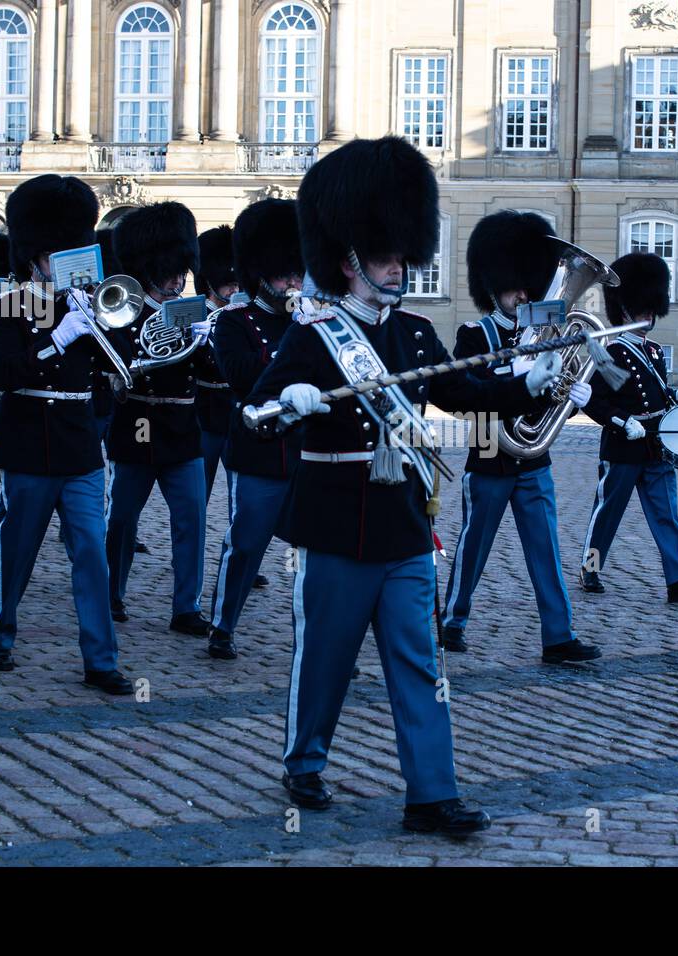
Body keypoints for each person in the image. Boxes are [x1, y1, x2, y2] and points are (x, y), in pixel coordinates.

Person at [245, 136, 563, 834]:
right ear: (347, 259)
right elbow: (254, 413)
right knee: (324, 661)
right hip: (331, 525)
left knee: (418, 664)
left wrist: (526, 383)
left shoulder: (416, 334)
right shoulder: (314, 335)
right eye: (385, 255)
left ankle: (431, 794)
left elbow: (464, 390)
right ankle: (304, 761)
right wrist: (290, 400)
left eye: (400, 253)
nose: (398, 266)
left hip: (403, 524)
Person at [0, 174, 132, 694]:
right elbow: (0, 374)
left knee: (91, 550)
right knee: (17, 549)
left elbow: (122, 368)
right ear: (33, 259)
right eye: (53, 256)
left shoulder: (91, 304)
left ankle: (101, 659)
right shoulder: (6, 307)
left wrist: (105, 327)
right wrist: (56, 341)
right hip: (27, 441)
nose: (61, 266)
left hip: (78, 444)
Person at [439, 211, 598, 664]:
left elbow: (557, 386)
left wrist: (573, 392)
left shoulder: (550, 331)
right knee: (474, 545)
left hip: (534, 454)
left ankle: (558, 635)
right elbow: (464, 391)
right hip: (490, 452)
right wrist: (514, 372)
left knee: (545, 549)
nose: (522, 294)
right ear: (495, 286)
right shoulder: (474, 335)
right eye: (513, 287)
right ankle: (452, 621)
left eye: (527, 284)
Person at [105, 202, 216, 636]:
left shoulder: (192, 312)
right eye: (170, 271)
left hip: (182, 428)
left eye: (181, 270)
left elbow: (211, 375)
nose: (177, 279)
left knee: (191, 520)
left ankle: (185, 606)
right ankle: (112, 592)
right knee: (122, 519)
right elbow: (116, 362)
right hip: (138, 422)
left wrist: (207, 344)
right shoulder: (124, 312)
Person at [578, 252, 678, 604]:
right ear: (624, 309)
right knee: (607, 514)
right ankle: (590, 568)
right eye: (641, 308)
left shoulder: (653, 352)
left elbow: (656, 393)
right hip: (623, 447)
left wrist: (677, 396)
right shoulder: (611, 353)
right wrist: (623, 421)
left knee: (667, 515)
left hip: (655, 445)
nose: (648, 315)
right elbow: (595, 400)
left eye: (651, 308)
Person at [204, 199, 304, 660]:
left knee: (321, 547)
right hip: (262, 449)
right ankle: (223, 624)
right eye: (286, 275)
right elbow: (242, 375)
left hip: (309, 451)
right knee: (246, 543)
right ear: (262, 274)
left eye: (297, 273)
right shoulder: (233, 321)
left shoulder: (312, 322)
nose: (293, 283)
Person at [193, 224, 240, 510]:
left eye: (237, 283)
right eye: (228, 284)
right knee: (198, 495)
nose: (235, 289)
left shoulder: (241, 317)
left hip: (234, 410)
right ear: (210, 282)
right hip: (203, 413)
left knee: (241, 499)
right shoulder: (194, 314)